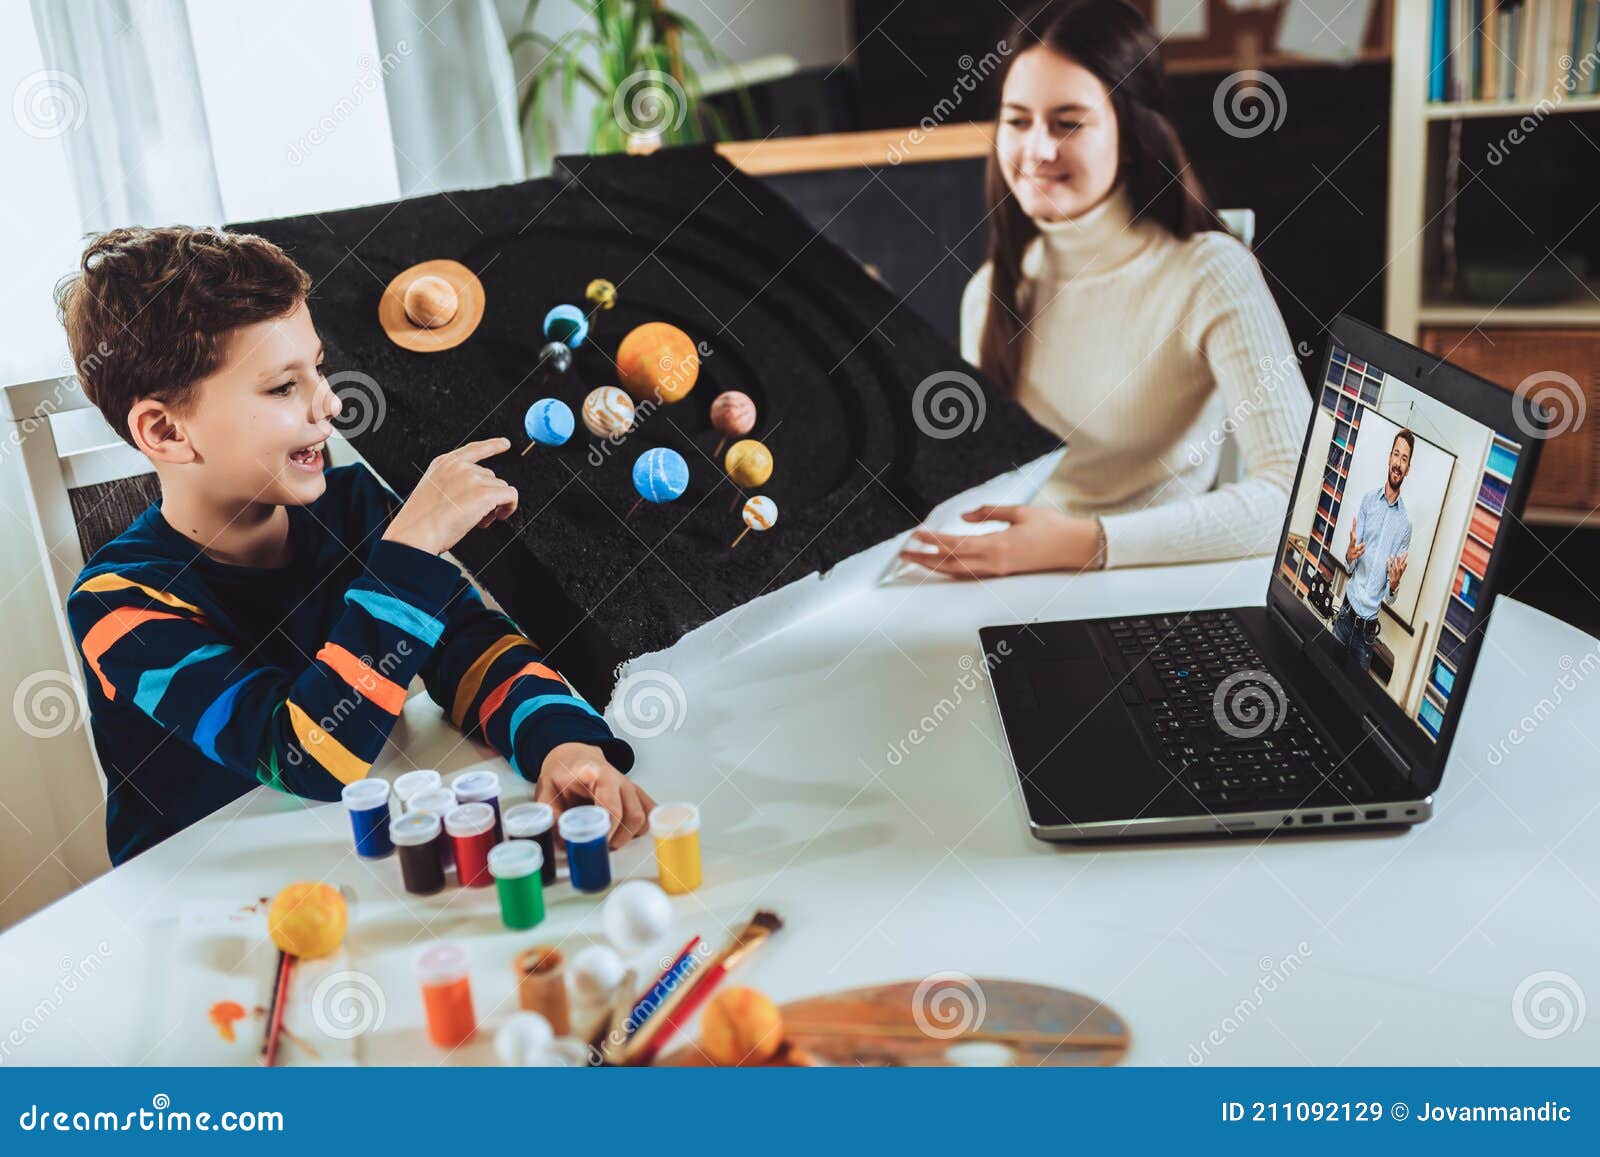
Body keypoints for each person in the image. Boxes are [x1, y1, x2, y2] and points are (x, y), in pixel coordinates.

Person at [57, 226, 654, 864]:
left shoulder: (355, 509)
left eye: (317, 367)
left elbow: (471, 650)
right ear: (167, 430)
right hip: (211, 897)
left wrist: (563, 744)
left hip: (356, 855)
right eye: (283, 387)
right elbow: (305, 756)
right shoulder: (117, 604)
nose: (331, 402)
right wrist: (413, 549)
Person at [901, 0, 1310, 578]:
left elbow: (1296, 501)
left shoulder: (1211, 273)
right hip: (1023, 579)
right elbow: (977, 479)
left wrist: (1084, 543)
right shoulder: (992, 291)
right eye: (1017, 121)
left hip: (1161, 585)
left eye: (1068, 122)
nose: (1038, 150)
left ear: (1131, 133)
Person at [1332, 429, 1415, 671]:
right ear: (1389, 457)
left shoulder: (1405, 525)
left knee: (1353, 698)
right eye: (1396, 455)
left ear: (1408, 468)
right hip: (1345, 616)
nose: (1398, 464)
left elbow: (1390, 597)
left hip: (1367, 634)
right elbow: (1351, 564)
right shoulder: (1368, 501)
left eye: (1404, 459)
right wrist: (1349, 556)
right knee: (1323, 675)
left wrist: (1394, 584)